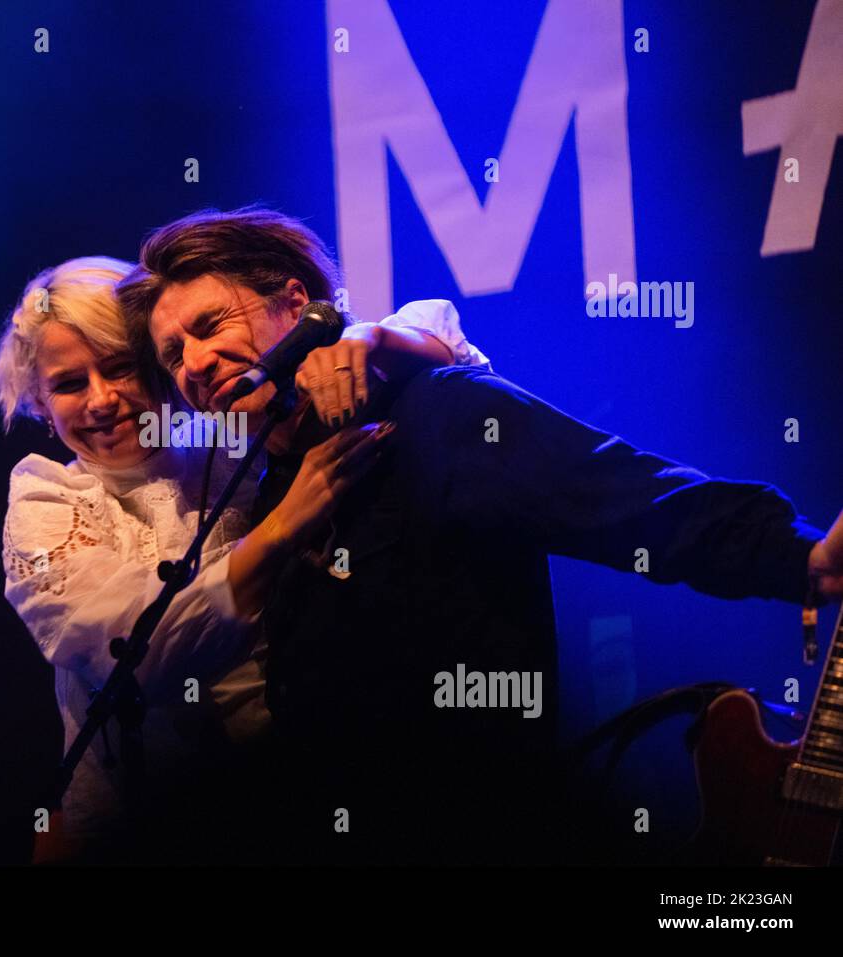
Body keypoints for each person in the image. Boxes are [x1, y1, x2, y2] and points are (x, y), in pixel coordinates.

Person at [116, 206, 843, 864]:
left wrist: (798, 556)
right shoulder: (259, 496)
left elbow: (620, 493)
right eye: (173, 355)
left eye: (209, 327)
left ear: (296, 306)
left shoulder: (438, 415)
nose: (194, 367)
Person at [0, 255, 489, 862]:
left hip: (287, 802)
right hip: (137, 831)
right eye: (68, 385)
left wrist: (367, 338)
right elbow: (135, 656)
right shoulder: (47, 499)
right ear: (37, 402)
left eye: (121, 369)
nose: (101, 400)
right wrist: (282, 526)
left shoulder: (232, 439)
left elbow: (456, 361)